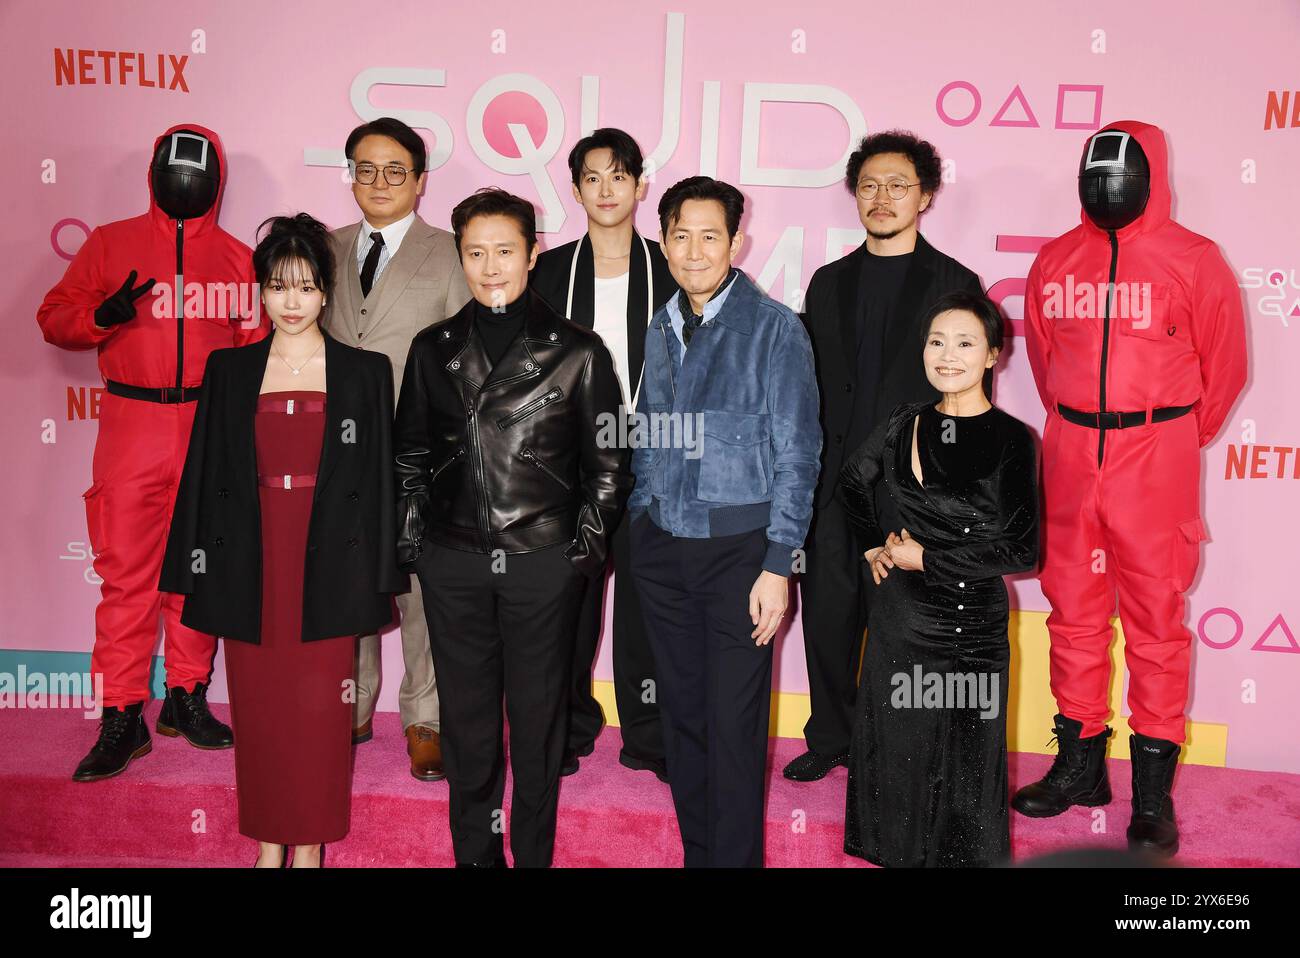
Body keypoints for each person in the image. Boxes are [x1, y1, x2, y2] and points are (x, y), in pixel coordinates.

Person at [1016, 121, 1247, 857]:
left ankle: (1152, 796)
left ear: (1153, 175)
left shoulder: (1194, 259)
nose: (1105, 184)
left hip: (1158, 454)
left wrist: (1171, 435)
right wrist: (1084, 429)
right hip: (1072, 448)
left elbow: (1226, 368)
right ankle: (1080, 767)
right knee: (1073, 614)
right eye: (1095, 171)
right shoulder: (1056, 260)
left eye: (1121, 171)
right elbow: (1046, 359)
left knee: (1156, 625)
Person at [394, 188, 630, 867]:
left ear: (533, 254)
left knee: (537, 730)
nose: (490, 266)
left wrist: (577, 556)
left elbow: (610, 464)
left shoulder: (577, 352)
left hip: (540, 562)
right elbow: (409, 454)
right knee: (467, 731)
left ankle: (531, 857)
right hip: (454, 564)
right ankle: (476, 857)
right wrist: (418, 548)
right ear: (459, 257)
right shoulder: (433, 349)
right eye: (475, 252)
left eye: (504, 250)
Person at [159, 213, 404, 868]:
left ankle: (312, 847)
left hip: (331, 563)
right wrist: (193, 568)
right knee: (263, 712)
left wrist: (379, 576)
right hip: (250, 560)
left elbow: (379, 484)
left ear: (326, 291)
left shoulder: (364, 372)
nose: (290, 302)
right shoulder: (230, 370)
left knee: (322, 717)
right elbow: (204, 472)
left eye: (304, 287)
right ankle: (270, 846)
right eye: (276, 286)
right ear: (261, 292)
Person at [37, 124, 267, 782]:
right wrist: (100, 317)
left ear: (217, 182)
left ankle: (186, 697)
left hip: (207, 425)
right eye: (175, 171)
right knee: (127, 578)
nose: (187, 183)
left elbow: (257, 349)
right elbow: (54, 317)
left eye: (199, 174)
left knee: (199, 573)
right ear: (154, 175)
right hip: (132, 421)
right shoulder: (110, 244)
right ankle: (122, 712)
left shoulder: (234, 258)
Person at [628, 176, 821, 867]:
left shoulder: (775, 330)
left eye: (711, 236)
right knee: (682, 722)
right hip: (661, 549)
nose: (694, 250)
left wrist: (778, 563)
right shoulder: (661, 324)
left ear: (738, 241)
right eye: (681, 235)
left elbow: (800, 455)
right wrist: (639, 520)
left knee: (734, 728)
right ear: (663, 240)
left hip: (742, 556)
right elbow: (649, 429)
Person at [789, 130, 985, 784]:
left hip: (911, 492)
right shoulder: (827, 283)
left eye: (898, 185)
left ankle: (897, 751)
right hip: (831, 489)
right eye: (870, 185)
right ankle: (831, 737)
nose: (882, 197)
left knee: (905, 630)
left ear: (925, 195)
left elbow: (966, 392)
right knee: (827, 619)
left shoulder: (955, 283)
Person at [839, 291, 1038, 867]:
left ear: (993, 355)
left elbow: (1022, 548)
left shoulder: (1011, 439)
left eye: (966, 342)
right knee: (900, 750)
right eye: (937, 342)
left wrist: (926, 560)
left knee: (970, 761)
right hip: (903, 618)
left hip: (973, 624)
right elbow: (852, 481)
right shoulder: (905, 423)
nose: (948, 356)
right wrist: (874, 543)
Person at [325, 117, 472, 780]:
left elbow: (465, 360)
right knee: (346, 584)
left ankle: (426, 718)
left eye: (394, 170)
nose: (378, 181)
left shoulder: (450, 252)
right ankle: (351, 706)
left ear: (418, 181)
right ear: (351, 173)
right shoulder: (322, 250)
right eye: (365, 168)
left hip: (418, 452)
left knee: (420, 590)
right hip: (336, 452)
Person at [532, 128, 678, 781]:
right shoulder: (551, 271)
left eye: (619, 176)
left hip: (653, 462)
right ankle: (563, 725)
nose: (606, 189)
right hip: (569, 467)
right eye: (593, 177)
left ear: (640, 185)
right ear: (575, 189)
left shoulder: (671, 266)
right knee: (566, 603)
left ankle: (648, 733)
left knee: (650, 605)